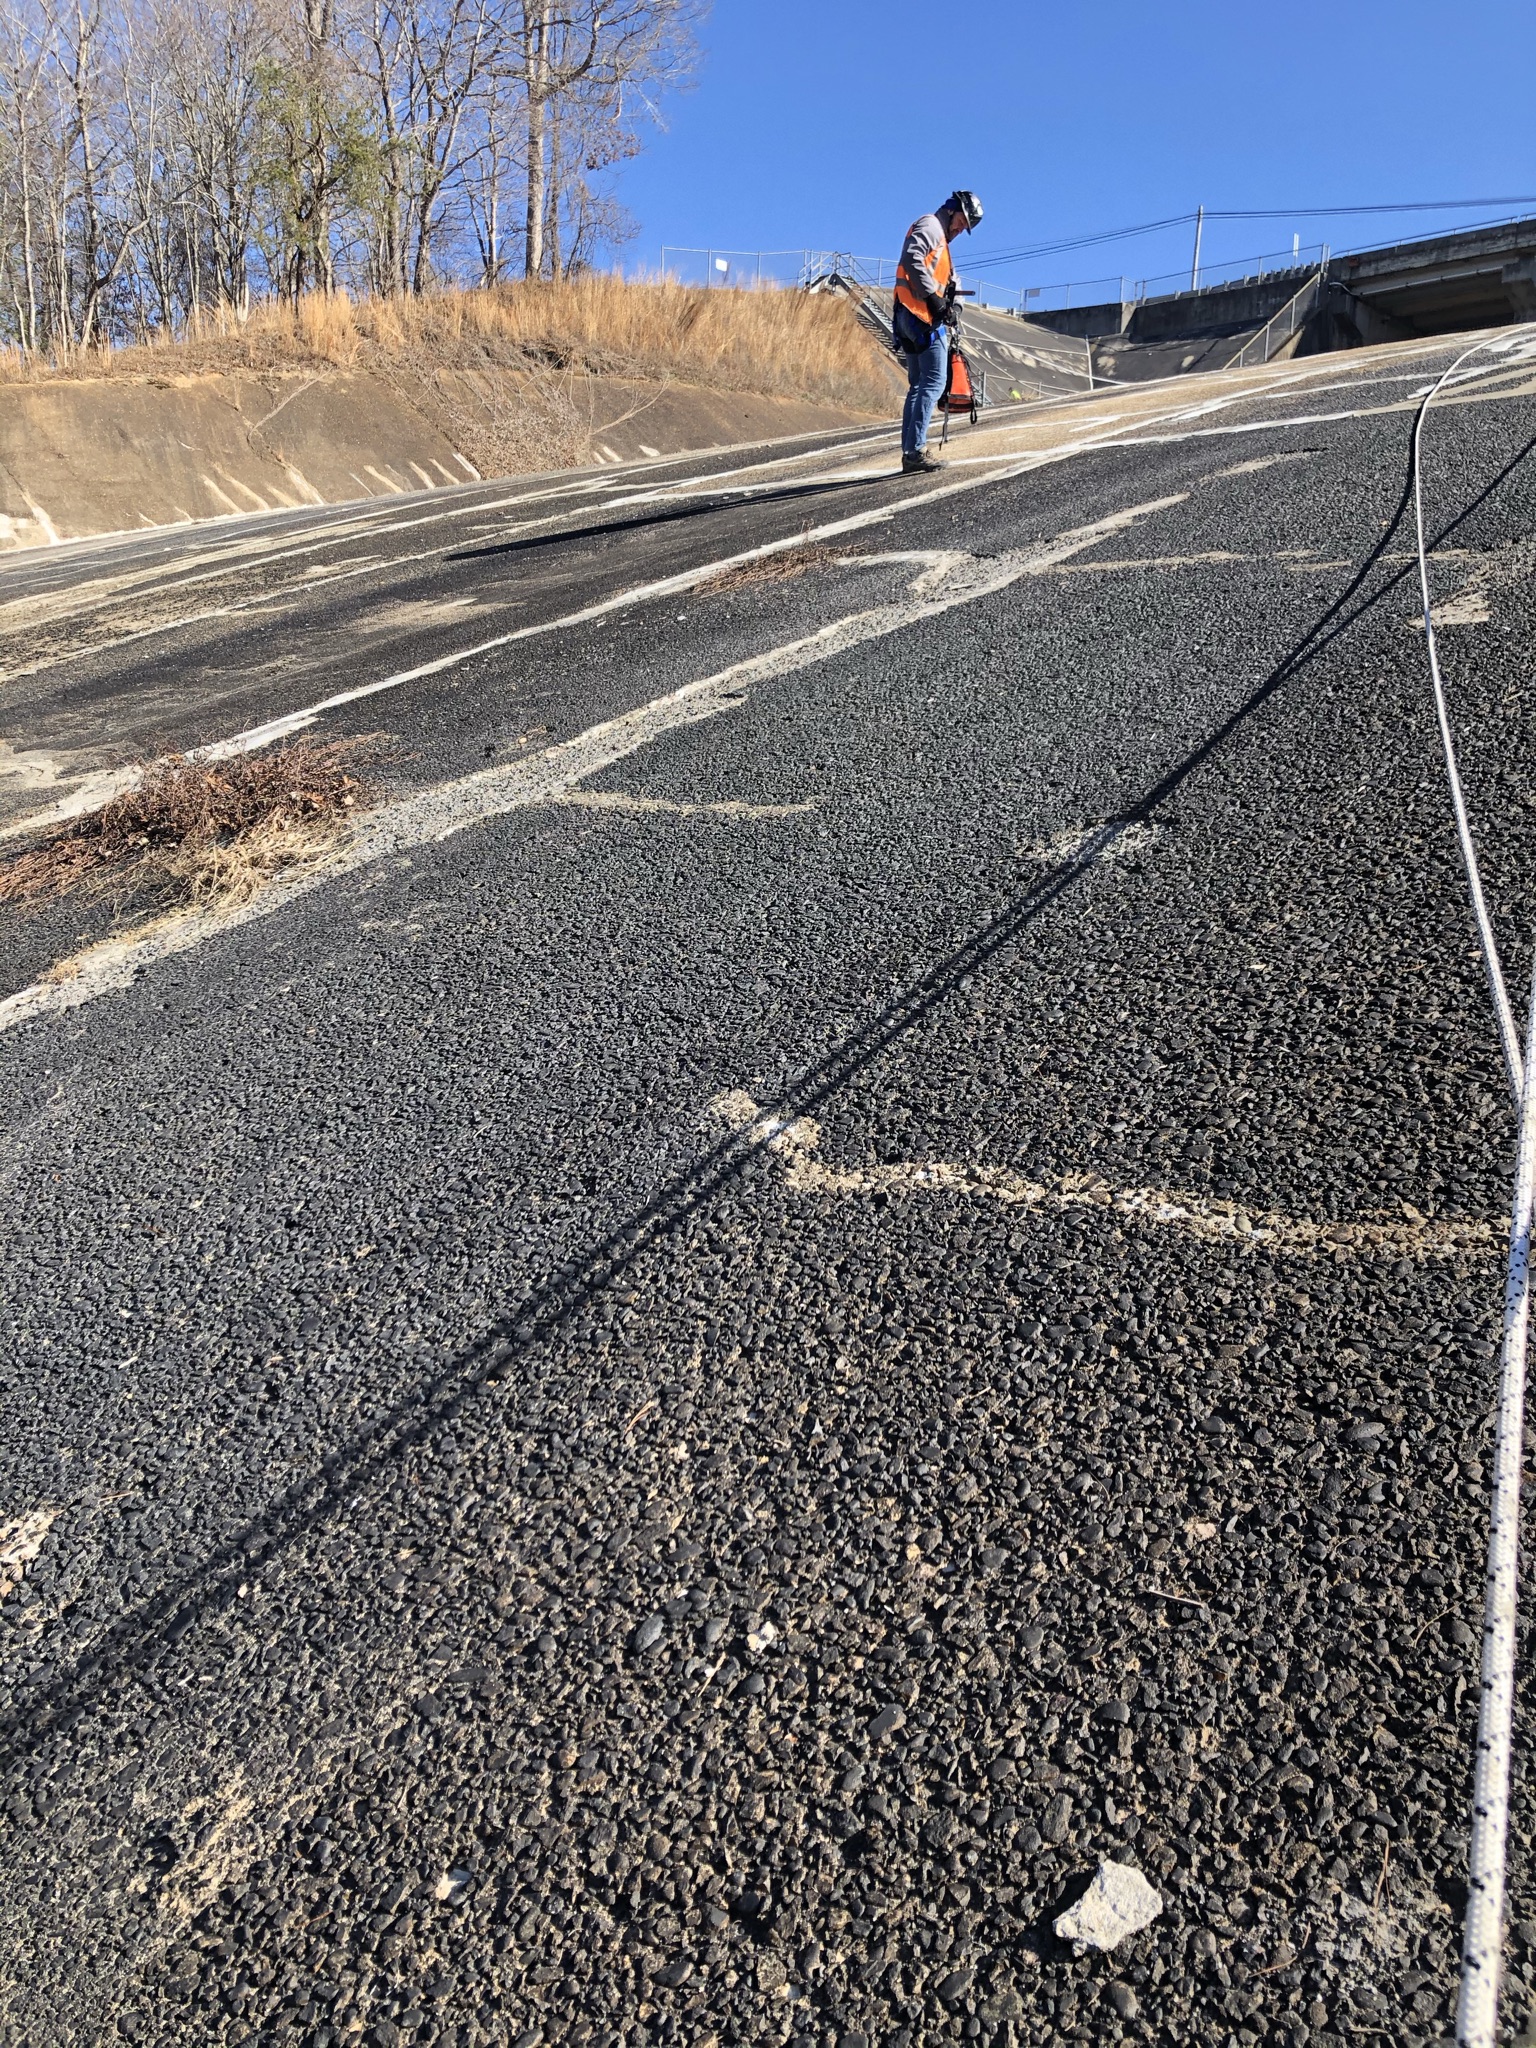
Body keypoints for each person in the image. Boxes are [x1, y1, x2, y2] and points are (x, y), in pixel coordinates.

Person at [893, 190, 983, 474]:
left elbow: (953, 281)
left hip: (908, 316)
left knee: (919, 385)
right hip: (920, 317)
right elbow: (912, 258)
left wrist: (954, 307)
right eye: (961, 221)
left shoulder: (940, 240)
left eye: (965, 226)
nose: (961, 229)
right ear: (952, 209)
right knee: (933, 382)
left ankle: (910, 451)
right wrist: (933, 298)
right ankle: (916, 450)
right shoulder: (931, 226)